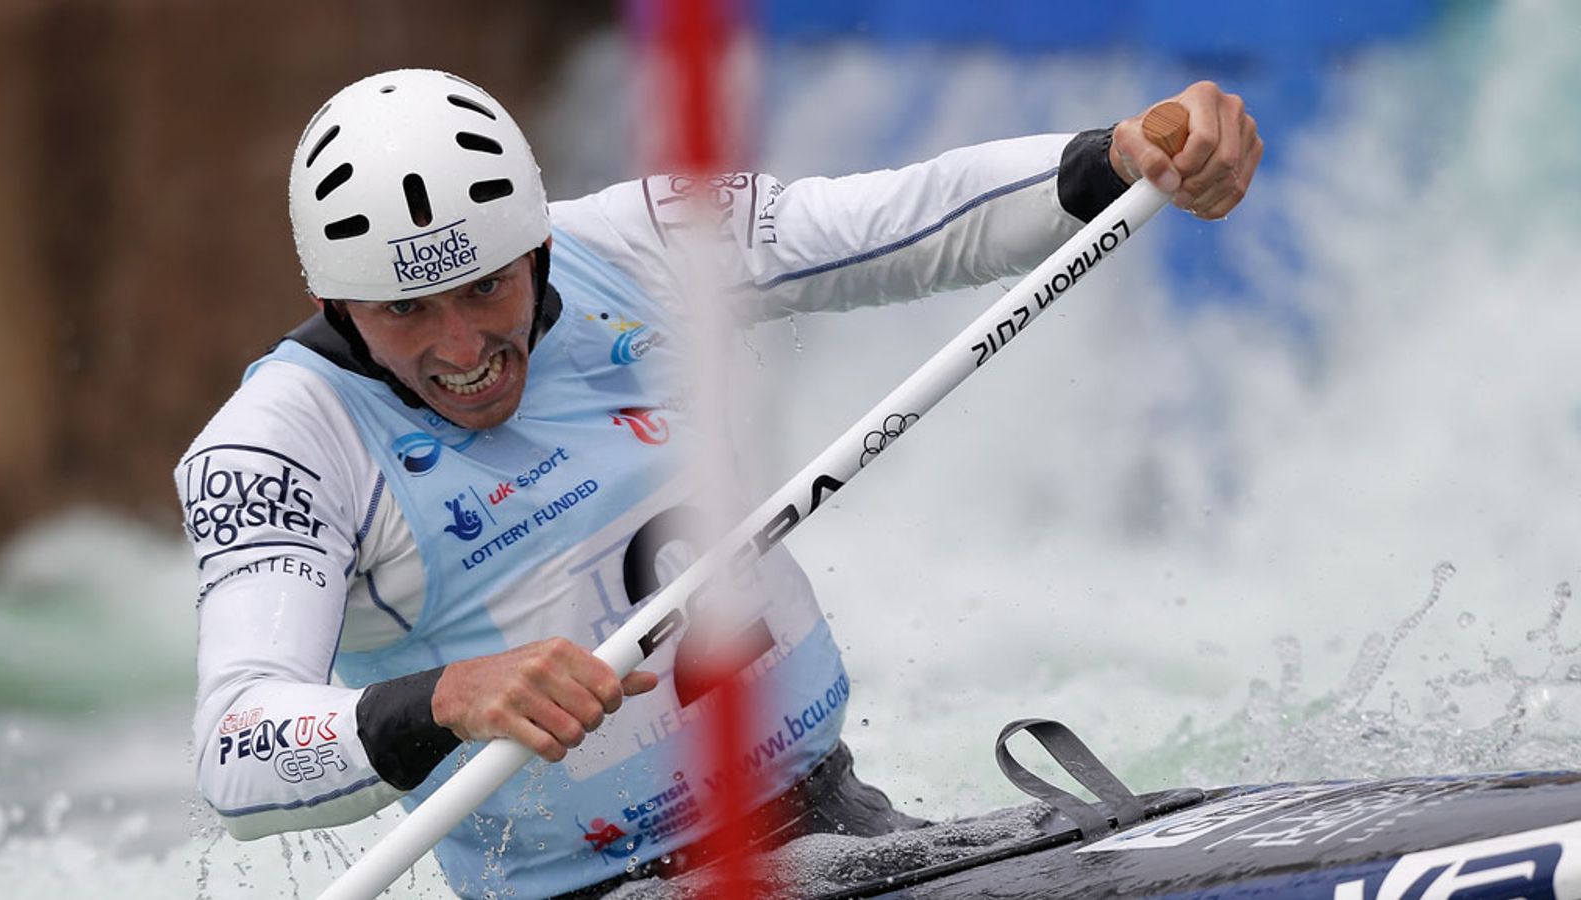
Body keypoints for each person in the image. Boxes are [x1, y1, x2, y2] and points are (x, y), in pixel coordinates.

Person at [176, 68, 1260, 898]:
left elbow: (897, 224)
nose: (464, 348)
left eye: (486, 288)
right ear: (338, 302)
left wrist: (1112, 159)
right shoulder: (280, 448)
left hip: (839, 823)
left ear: (535, 249)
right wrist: (443, 699)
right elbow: (237, 749)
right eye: (405, 314)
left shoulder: (635, 247)